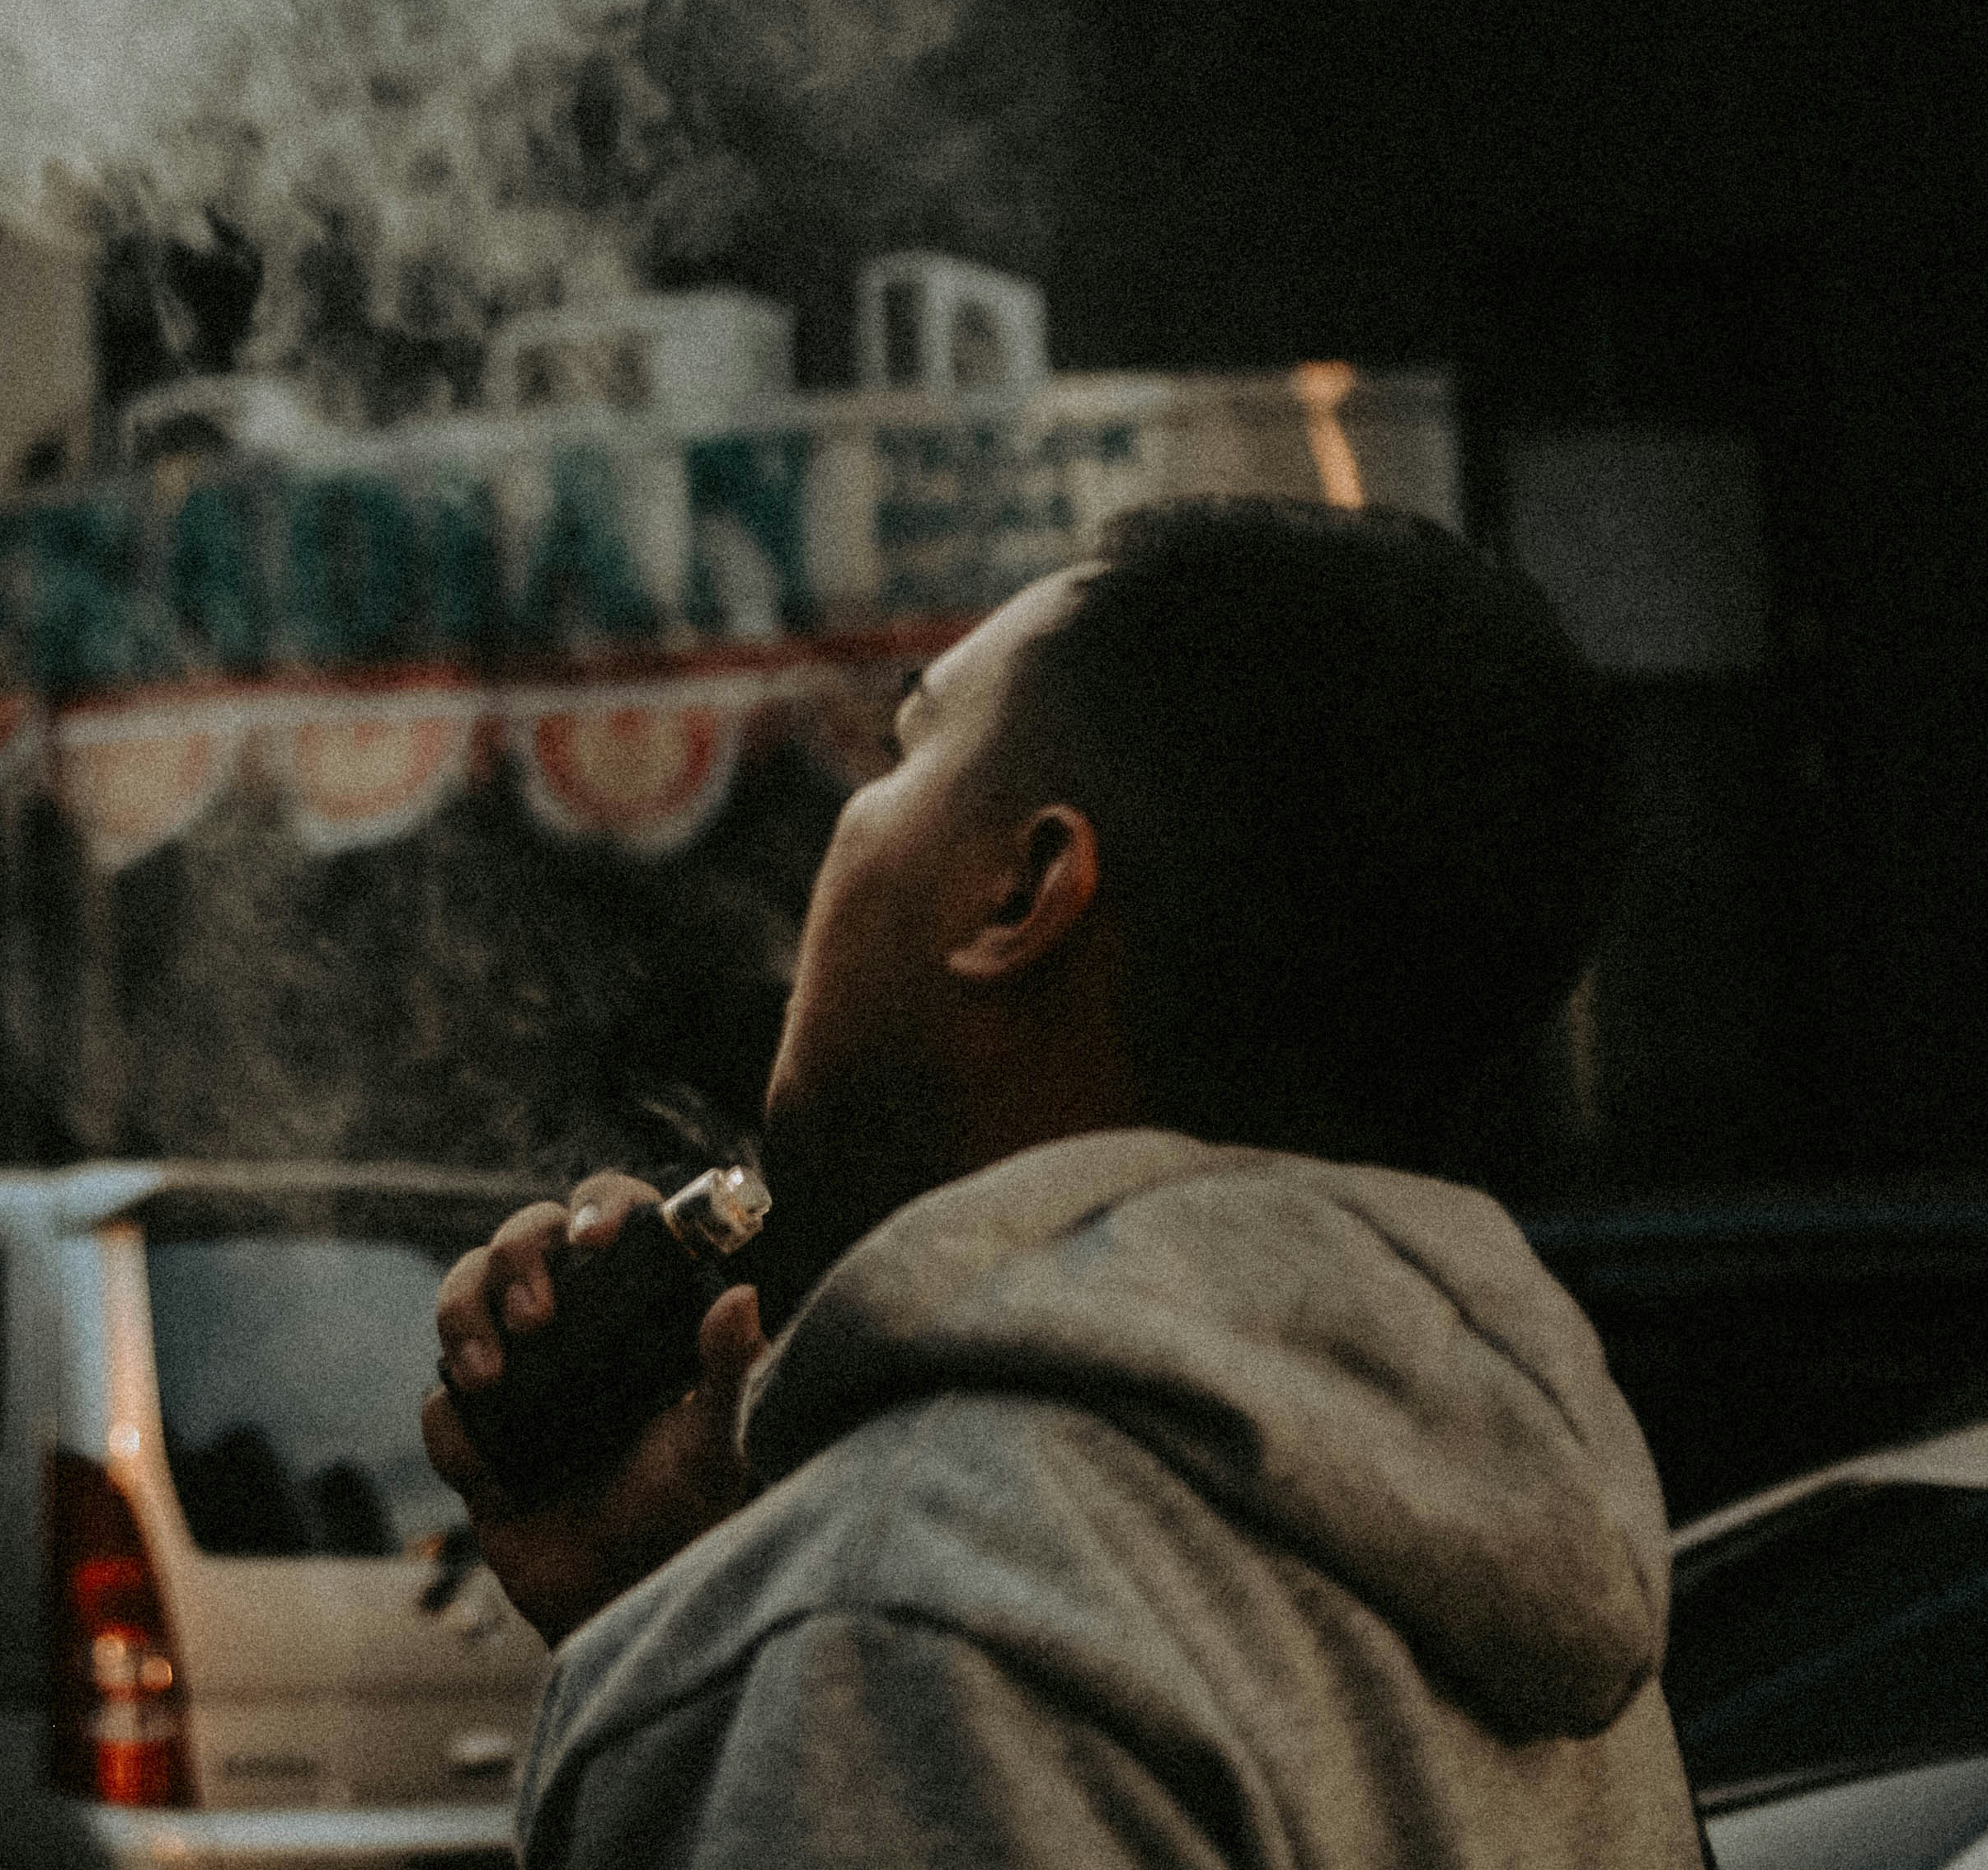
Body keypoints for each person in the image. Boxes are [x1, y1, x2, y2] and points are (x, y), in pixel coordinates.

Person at [425, 497, 1699, 1868]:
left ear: (1021, 893)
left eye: (908, 748)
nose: (838, 837)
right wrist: (687, 1616)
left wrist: (783, 1630)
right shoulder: (1508, 1577)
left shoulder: (913, 1633)